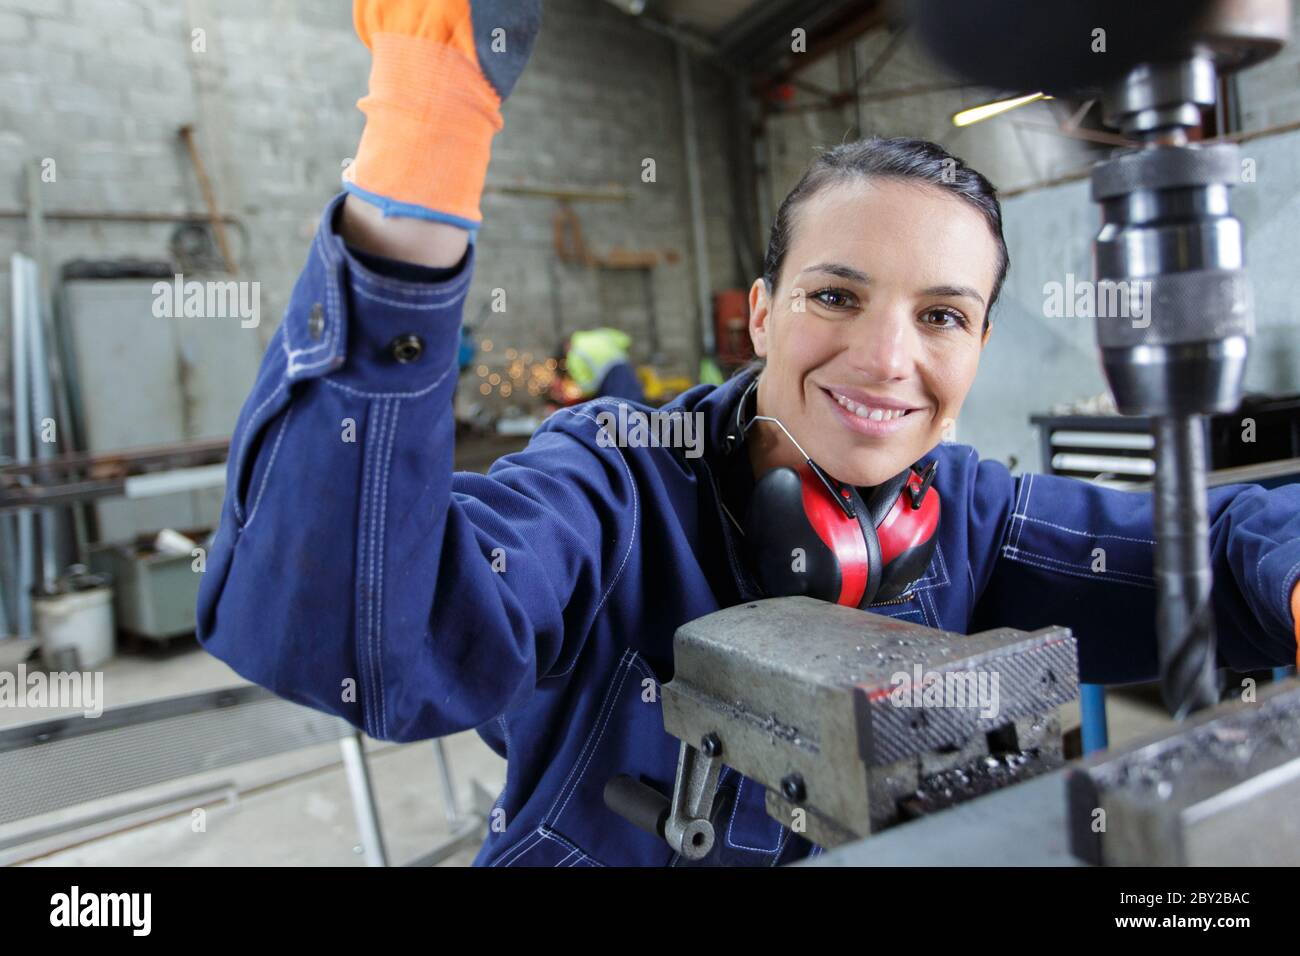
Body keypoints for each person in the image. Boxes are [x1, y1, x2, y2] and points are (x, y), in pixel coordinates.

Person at [197, 0, 1300, 867]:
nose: (885, 359)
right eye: (834, 296)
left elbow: (1238, 544)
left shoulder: (973, 515)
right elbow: (355, 638)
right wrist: (424, 136)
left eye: (941, 317)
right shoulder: (613, 482)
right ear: (761, 313)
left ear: (978, 348)